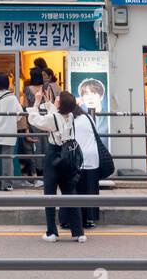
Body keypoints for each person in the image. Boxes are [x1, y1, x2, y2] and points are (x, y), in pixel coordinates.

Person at [28, 89, 85, 242]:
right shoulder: (71, 116)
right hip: (68, 157)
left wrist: (37, 102)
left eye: (58, 98)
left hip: (54, 156)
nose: (56, 99)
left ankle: (51, 232)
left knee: (50, 194)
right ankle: (79, 232)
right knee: (70, 193)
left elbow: (35, 120)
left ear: (60, 103)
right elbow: (56, 115)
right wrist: (49, 102)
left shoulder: (53, 119)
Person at [74, 98, 103, 229]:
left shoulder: (70, 121)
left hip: (78, 159)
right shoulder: (88, 118)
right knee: (91, 189)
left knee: (76, 190)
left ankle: (76, 219)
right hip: (93, 157)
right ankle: (90, 219)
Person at [17, 69, 47, 186]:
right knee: (46, 148)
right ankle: (45, 174)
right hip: (45, 121)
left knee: (34, 149)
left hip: (32, 121)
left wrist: (26, 129)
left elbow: (24, 107)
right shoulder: (46, 88)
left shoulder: (27, 90)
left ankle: (35, 176)